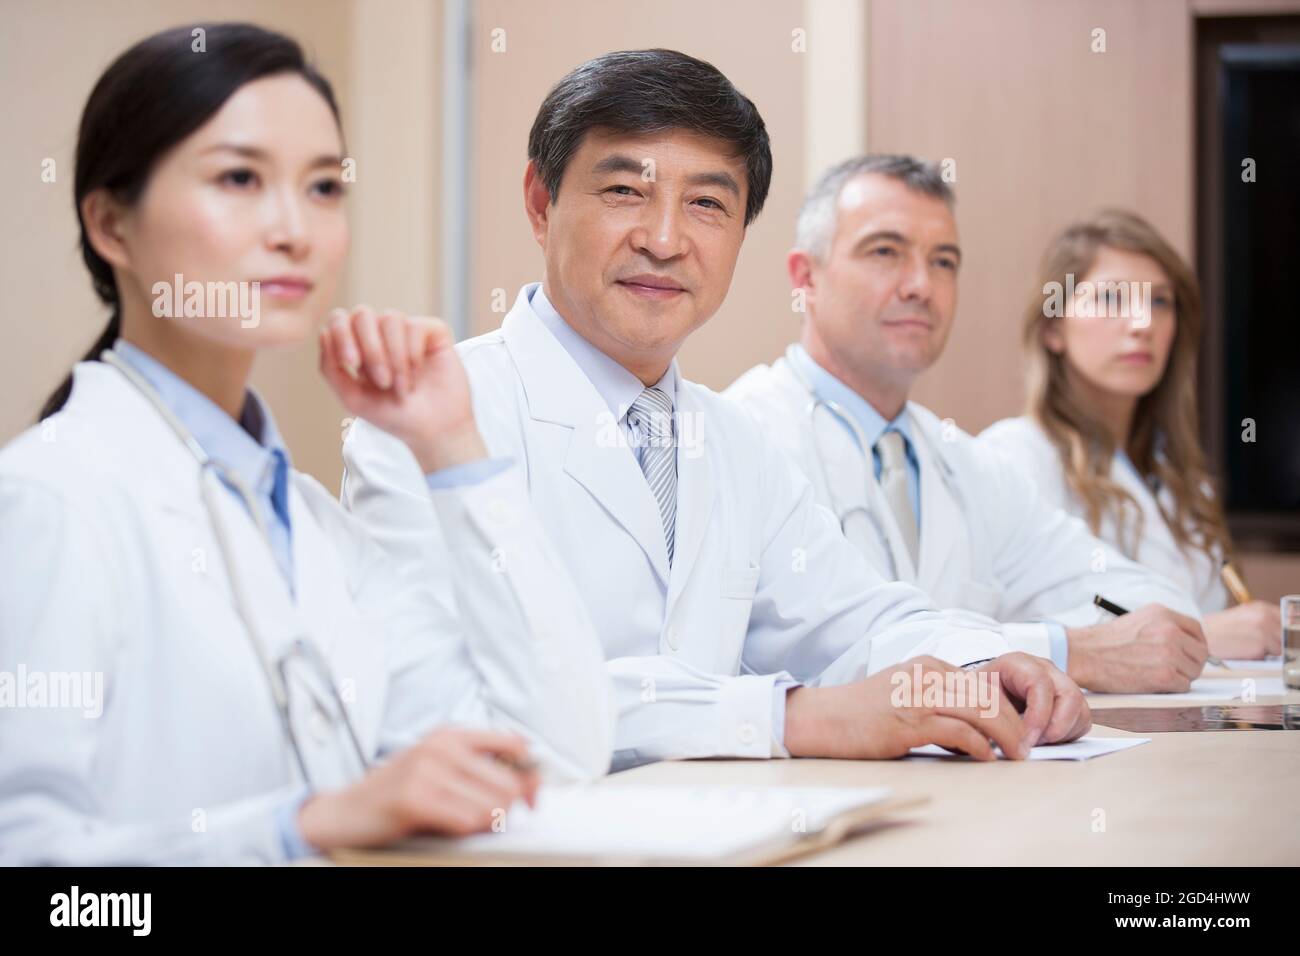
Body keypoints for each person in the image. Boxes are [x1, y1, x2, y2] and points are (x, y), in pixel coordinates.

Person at [342, 50, 1090, 771]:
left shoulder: (733, 441)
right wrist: (785, 718)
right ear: (541, 203)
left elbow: (851, 618)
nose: (665, 241)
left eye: (706, 204)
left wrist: (982, 664)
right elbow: (440, 701)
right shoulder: (425, 417)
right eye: (625, 192)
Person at [0, 23, 612, 866]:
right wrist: (304, 827)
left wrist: (451, 444)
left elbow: (556, 754)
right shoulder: (49, 498)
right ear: (111, 224)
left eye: (324, 188)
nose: (294, 229)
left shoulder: (314, 529)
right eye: (240, 178)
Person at [727, 156, 1209, 693]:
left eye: (944, 262)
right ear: (806, 277)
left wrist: (1051, 645)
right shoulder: (744, 433)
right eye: (885, 251)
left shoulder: (967, 463)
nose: (920, 285)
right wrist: (1062, 650)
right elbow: (819, 648)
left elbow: (1162, 612)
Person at [981, 209, 1281, 661]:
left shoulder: (1181, 479)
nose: (1142, 323)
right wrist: (1206, 636)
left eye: (1160, 301)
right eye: (1112, 300)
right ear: (1052, 327)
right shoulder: (1010, 458)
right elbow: (988, 639)